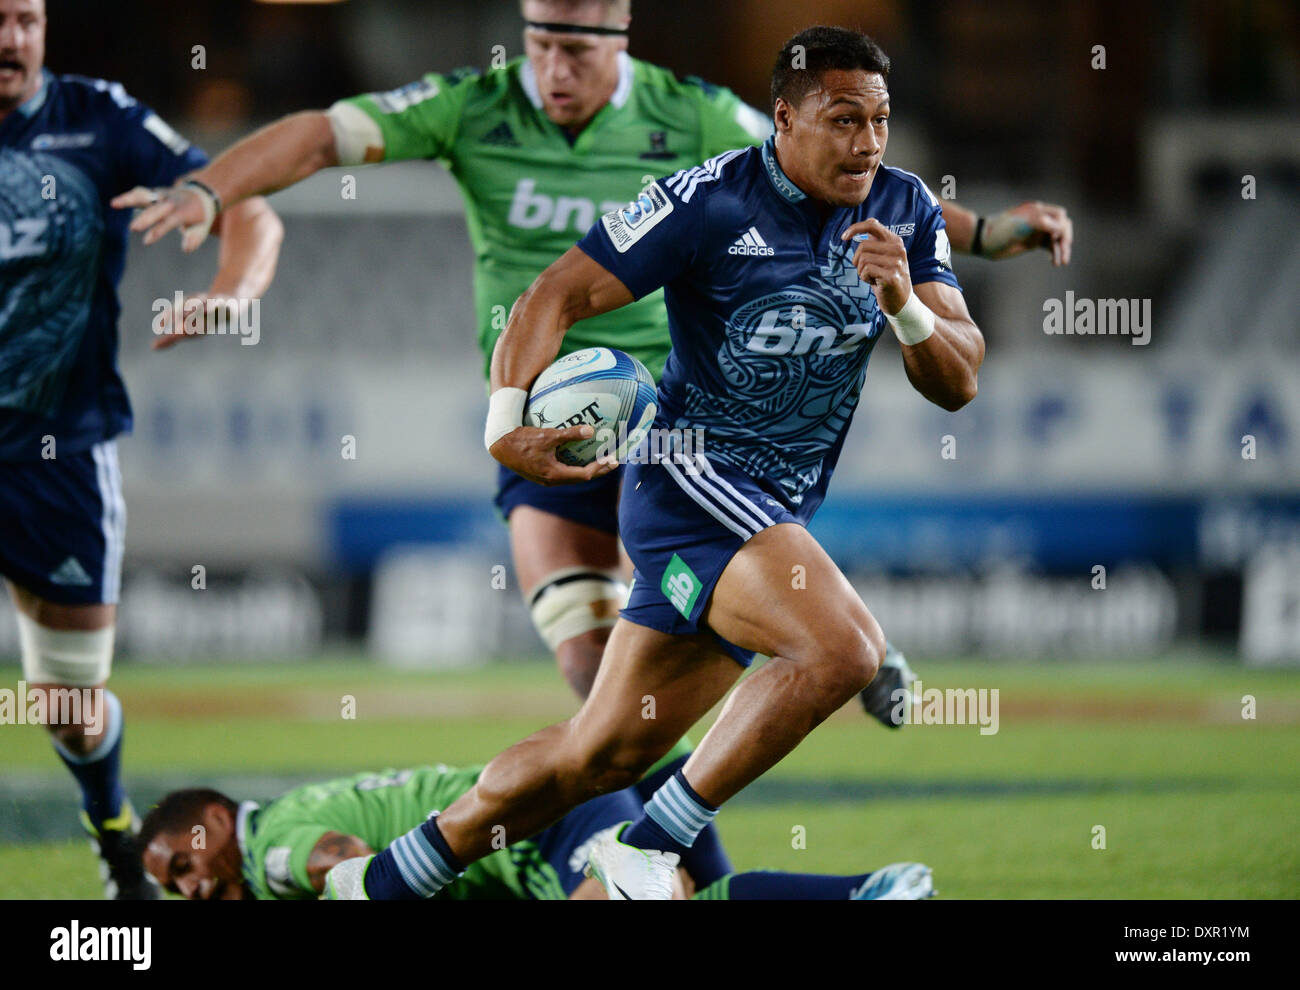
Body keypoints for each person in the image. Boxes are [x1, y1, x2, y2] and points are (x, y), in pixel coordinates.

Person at [115, 0, 1068, 718]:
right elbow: (323, 134)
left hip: (670, 419)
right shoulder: (473, 106)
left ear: (622, 41)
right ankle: (760, 734)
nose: (553, 67)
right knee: (588, 674)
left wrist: (987, 232)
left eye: (577, 48)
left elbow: (841, 172)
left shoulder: (691, 113)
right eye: (538, 44)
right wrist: (208, 186)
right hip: (547, 404)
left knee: (664, 670)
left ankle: (824, 654)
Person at [321, 25, 983, 900]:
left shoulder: (904, 210)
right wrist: (503, 424)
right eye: (843, 119)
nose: (866, 142)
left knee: (597, 753)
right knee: (847, 652)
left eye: (880, 121)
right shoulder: (706, 201)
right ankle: (647, 844)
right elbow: (555, 293)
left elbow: (959, 378)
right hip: (689, 482)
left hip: (772, 508)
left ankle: (383, 884)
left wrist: (904, 308)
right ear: (784, 118)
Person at [0, 0, 283, 898]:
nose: (12, 38)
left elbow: (248, 205)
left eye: (26, 18)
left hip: (57, 458)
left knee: (69, 707)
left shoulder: (100, 120)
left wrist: (234, 291)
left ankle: (111, 822)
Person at [138, 765, 935, 901]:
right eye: (171, 886)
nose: (190, 886)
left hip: (549, 828)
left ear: (214, 823)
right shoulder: (274, 831)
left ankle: (872, 889)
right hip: (554, 820)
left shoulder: (277, 850)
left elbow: (353, 869)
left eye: (184, 863)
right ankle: (870, 892)